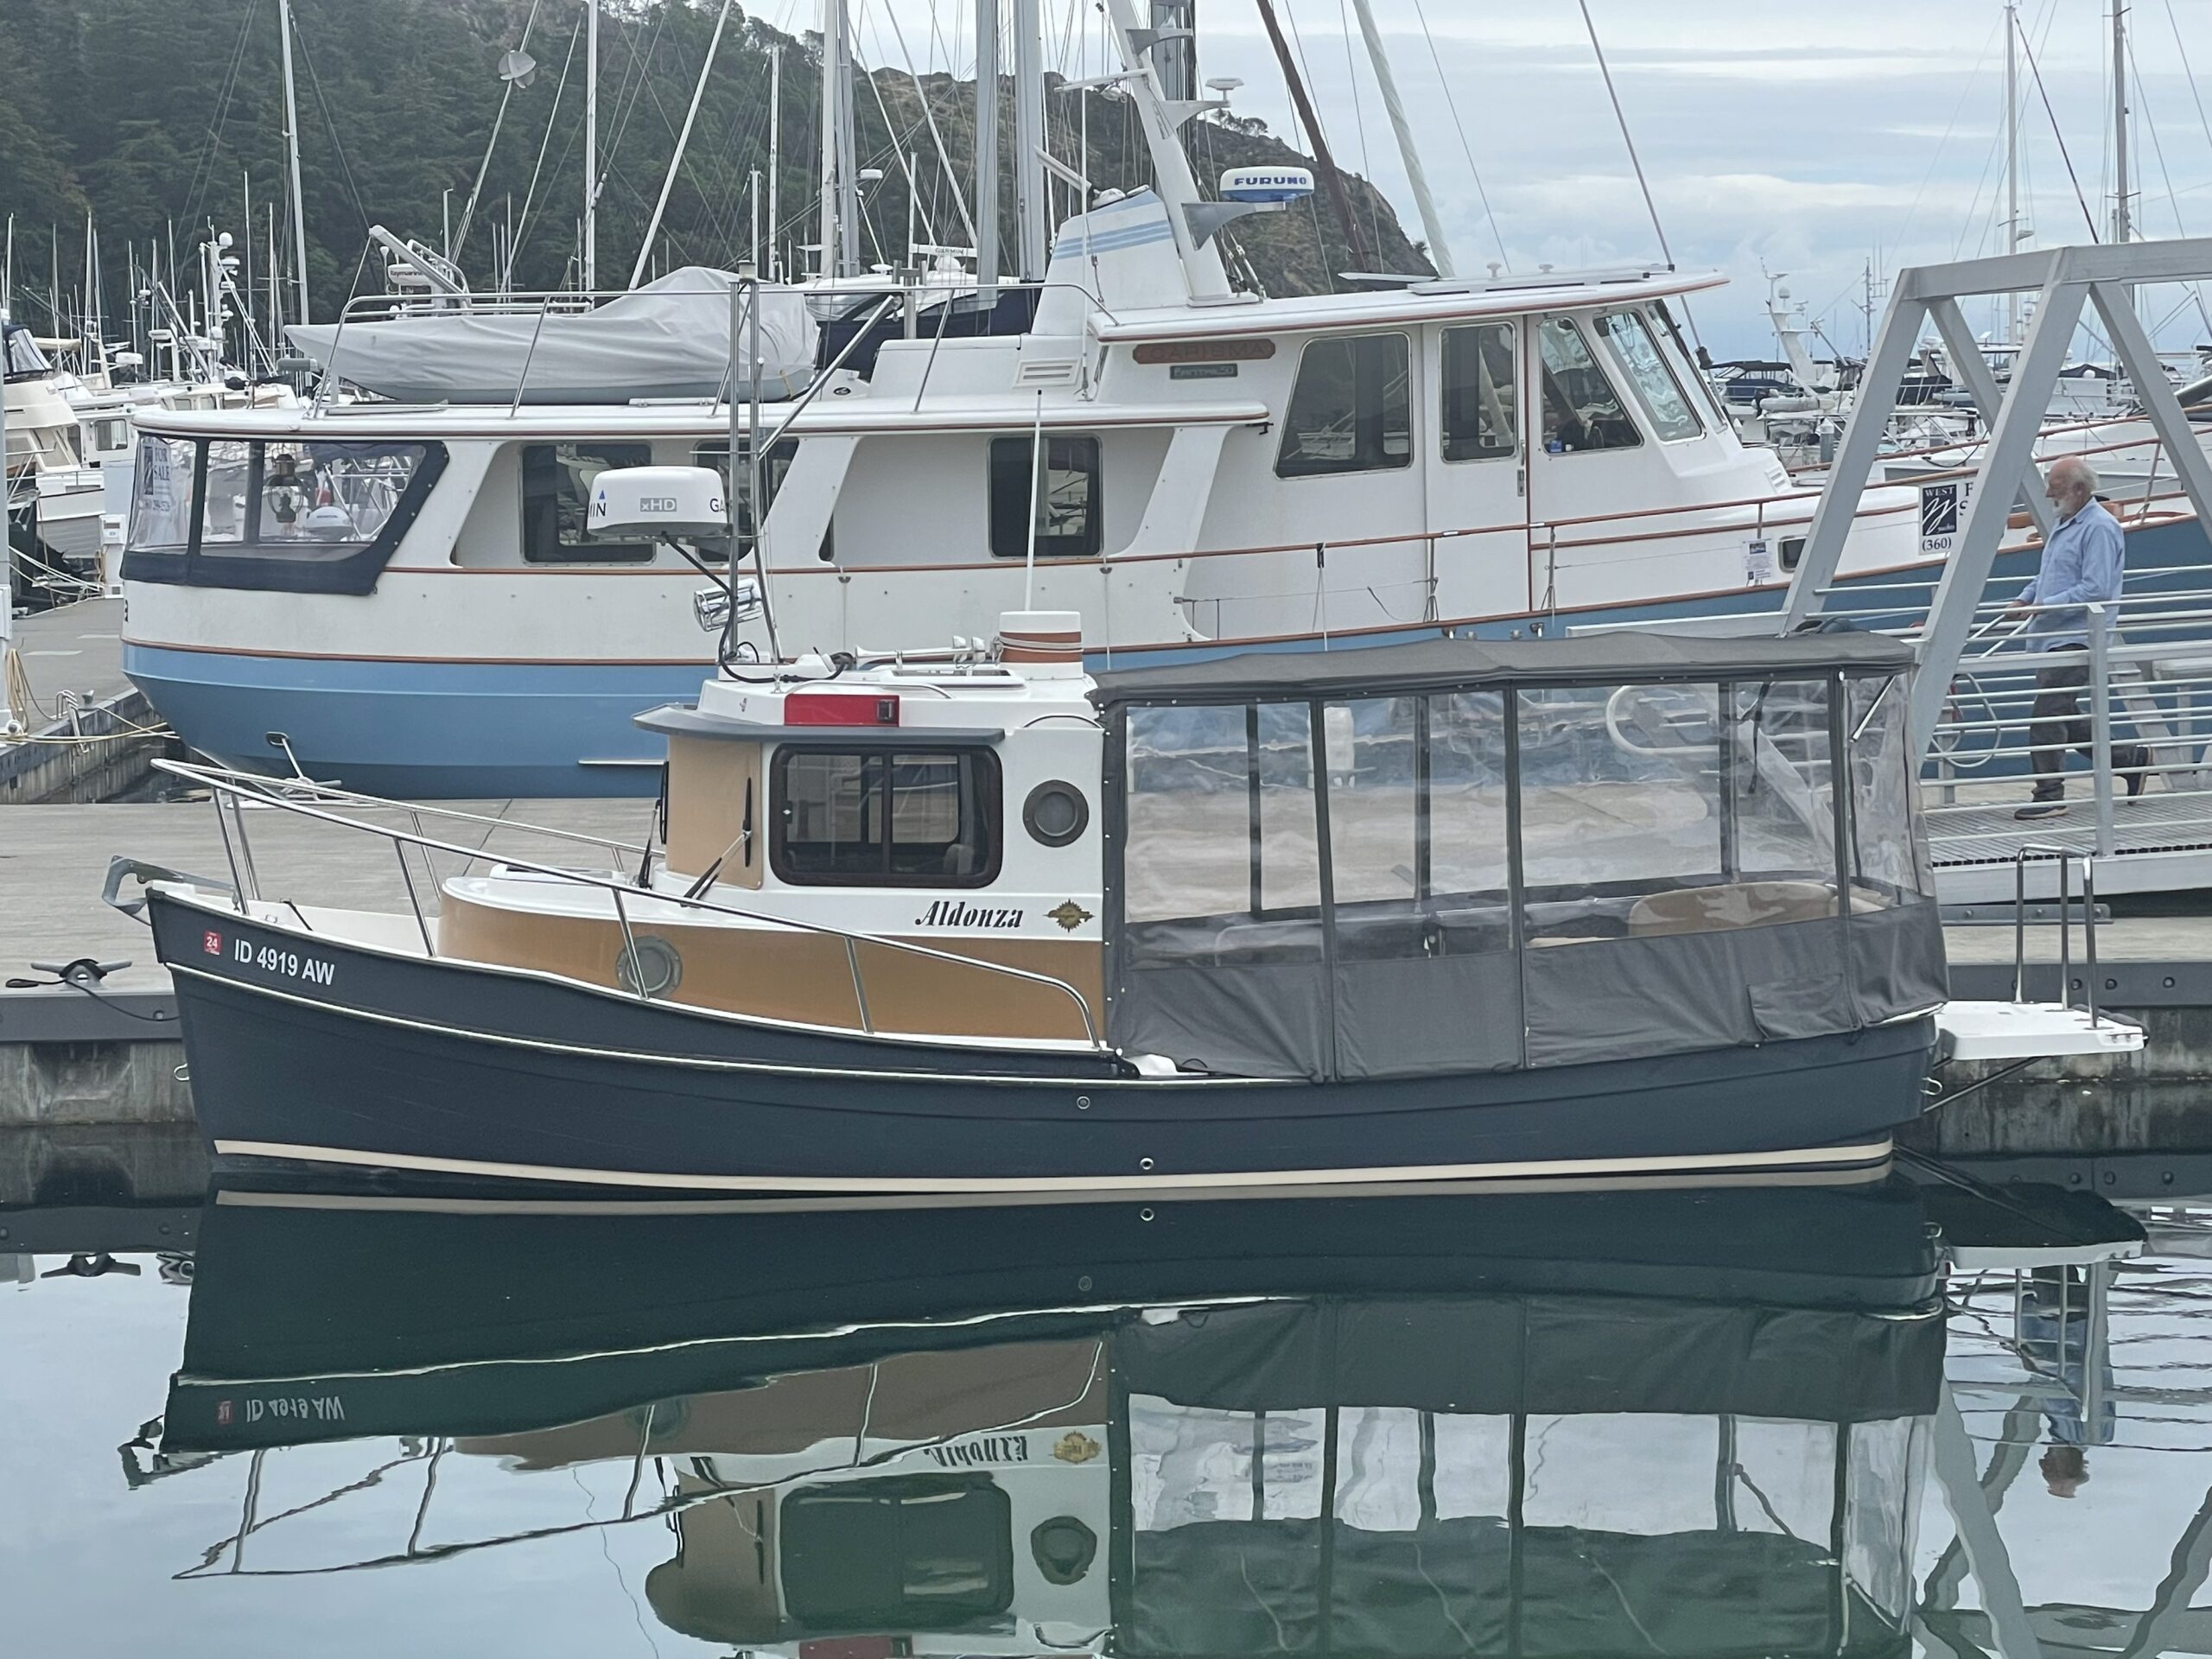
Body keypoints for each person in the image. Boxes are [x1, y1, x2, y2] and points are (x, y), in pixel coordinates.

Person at [2011, 455, 2149, 821]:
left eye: (2054, 487)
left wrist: (2043, 607)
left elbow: (2097, 588)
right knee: (2063, 715)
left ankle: (2050, 795)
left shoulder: (2100, 528)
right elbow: (2051, 573)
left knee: (2046, 717)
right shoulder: (2065, 522)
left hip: (2077, 636)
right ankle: (2130, 758)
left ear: (2078, 489)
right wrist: (2026, 597)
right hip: (2052, 635)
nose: (2046, 494)